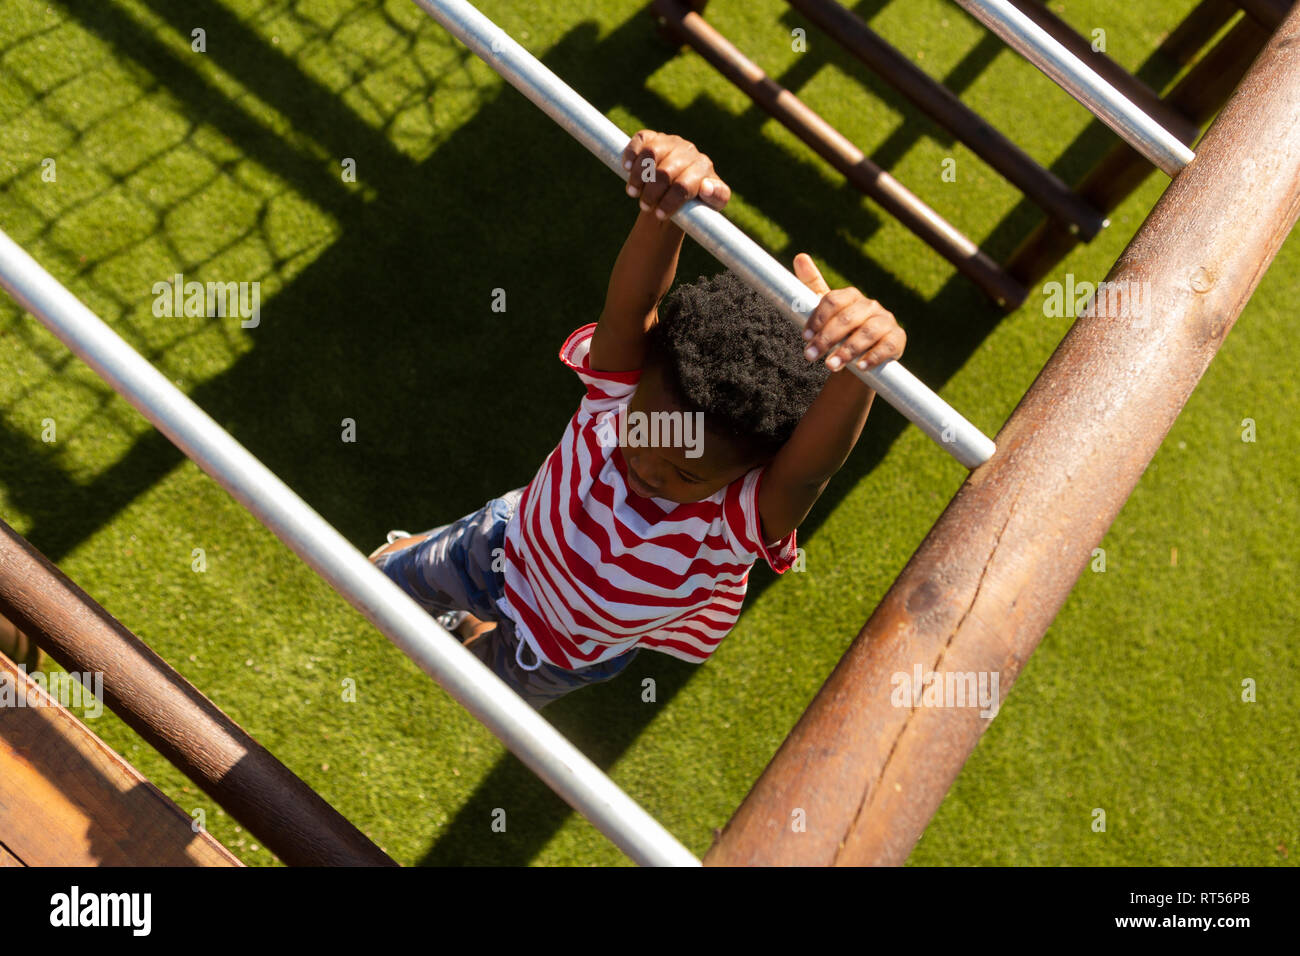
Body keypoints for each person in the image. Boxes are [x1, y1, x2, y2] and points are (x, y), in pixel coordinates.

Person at [369, 129, 905, 709]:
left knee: (465, 688)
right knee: (380, 587)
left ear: (756, 468)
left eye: (686, 475)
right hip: (502, 545)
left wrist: (859, 367)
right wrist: (667, 205)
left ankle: (475, 634)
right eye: (640, 438)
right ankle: (416, 562)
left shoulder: (740, 518)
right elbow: (632, 306)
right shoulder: (621, 389)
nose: (646, 470)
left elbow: (809, 470)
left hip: (565, 648)